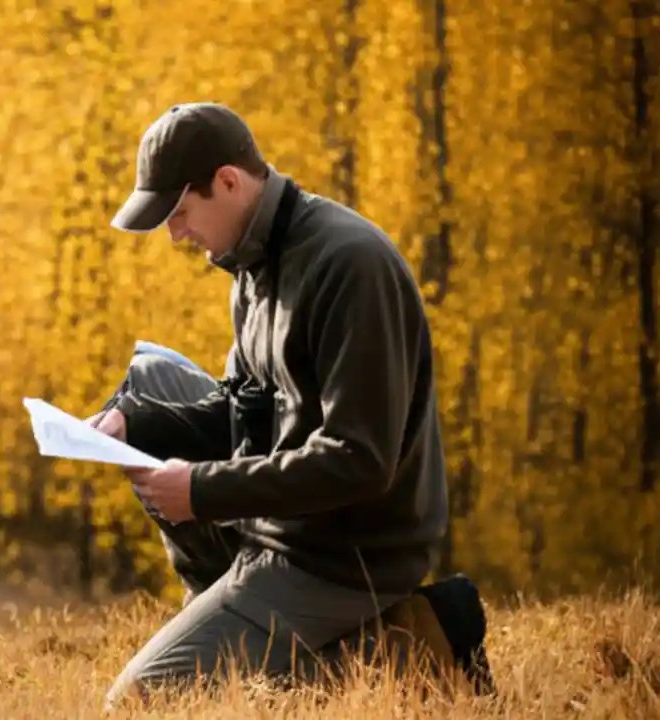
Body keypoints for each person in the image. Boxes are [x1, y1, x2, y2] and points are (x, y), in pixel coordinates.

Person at [90, 102, 452, 705]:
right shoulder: (251, 267)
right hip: (280, 528)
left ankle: (400, 648)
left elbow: (360, 461)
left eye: (179, 213)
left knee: (139, 701)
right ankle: (220, 610)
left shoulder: (348, 265)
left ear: (229, 182)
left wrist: (201, 490)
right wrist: (136, 424)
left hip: (342, 556)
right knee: (148, 384)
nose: (176, 235)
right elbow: (243, 412)